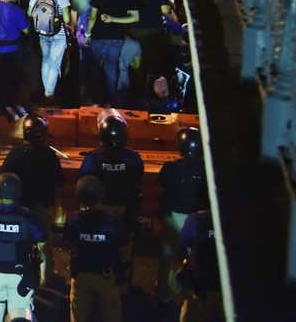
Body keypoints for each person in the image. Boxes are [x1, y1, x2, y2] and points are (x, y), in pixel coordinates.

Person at [0, 173, 47, 322]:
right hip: (20, 274)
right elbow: (43, 247)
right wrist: (42, 272)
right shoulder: (29, 217)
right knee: (19, 313)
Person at [1, 115, 65, 281]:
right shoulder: (50, 155)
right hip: (42, 206)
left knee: (19, 241)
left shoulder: (16, 153)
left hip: (20, 206)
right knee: (45, 242)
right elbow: (61, 180)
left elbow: (3, 177)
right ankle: (47, 276)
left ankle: (18, 272)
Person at [63, 176, 128, 322]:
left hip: (81, 276)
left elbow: (69, 239)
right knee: (112, 315)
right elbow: (123, 242)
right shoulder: (113, 222)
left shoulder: (73, 220)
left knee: (78, 316)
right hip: (107, 276)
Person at [156, 127, 208, 301]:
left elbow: (161, 182)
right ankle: (192, 296)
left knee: (168, 256)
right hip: (197, 221)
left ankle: (163, 295)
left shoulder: (171, 168)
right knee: (196, 258)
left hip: (173, 218)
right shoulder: (207, 170)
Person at [86, 0, 139, 105]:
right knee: (111, 67)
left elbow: (92, 17)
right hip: (117, 37)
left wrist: (87, 34)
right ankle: (110, 100)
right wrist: (115, 20)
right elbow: (135, 17)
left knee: (95, 67)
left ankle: (95, 99)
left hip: (98, 35)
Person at [79, 113, 144, 219]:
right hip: (126, 208)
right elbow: (139, 176)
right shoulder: (133, 157)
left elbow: (84, 181)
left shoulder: (92, 158)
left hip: (100, 209)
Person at [27, 0, 73, 102]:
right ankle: (49, 94)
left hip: (42, 31)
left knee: (46, 60)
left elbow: (30, 13)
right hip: (58, 34)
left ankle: (45, 88)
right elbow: (67, 19)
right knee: (55, 64)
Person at [175, 210, 224, 321]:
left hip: (201, 287)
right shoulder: (242, 221)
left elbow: (183, 243)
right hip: (229, 289)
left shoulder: (196, 220)